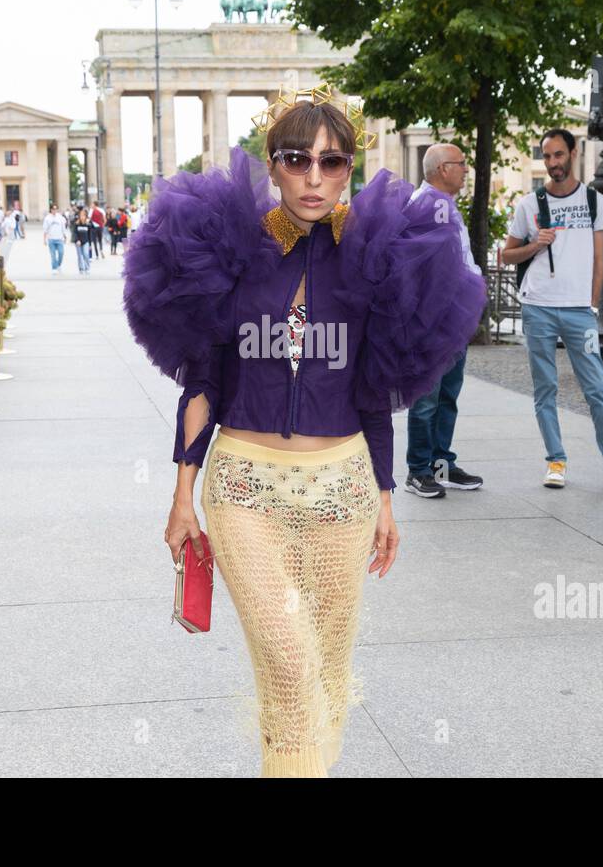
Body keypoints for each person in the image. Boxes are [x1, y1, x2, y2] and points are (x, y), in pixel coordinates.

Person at [122, 98, 484, 777]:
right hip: (244, 492)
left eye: (331, 161)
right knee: (289, 664)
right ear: (273, 166)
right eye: (296, 160)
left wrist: (383, 496)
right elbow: (201, 383)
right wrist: (181, 498)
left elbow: (373, 393)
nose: (313, 177)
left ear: (349, 170)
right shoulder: (233, 255)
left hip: (343, 492)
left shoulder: (370, 262)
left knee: (325, 674)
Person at [499, 128, 603, 494]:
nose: (553, 163)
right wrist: (536, 245)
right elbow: (507, 255)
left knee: (596, 388)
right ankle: (556, 460)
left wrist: (593, 304)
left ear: (573, 153)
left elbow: (600, 259)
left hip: (579, 311)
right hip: (538, 307)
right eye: (547, 156)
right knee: (545, 389)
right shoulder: (530, 204)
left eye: (558, 155)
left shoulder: (595, 201)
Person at [404, 143, 485, 497]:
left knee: (447, 394)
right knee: (427, 398)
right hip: (434, 319)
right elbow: (424, 265)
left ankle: (440, 465)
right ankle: (419, 470)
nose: (467, 169)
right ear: (441, 169)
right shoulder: (429, 206)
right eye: (461, 164)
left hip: (453, 316)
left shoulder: (444, 205)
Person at [42, 204, 67, 273]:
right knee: (53, 255)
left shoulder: (60, 217)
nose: (54, 210)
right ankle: (54, 268)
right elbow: (45, 230)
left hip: (59, 238)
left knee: (61, 253)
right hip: (51, 239)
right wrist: (44, 240)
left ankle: (58, 265)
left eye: (56, 209)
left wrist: (65, 236)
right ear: (51, 209)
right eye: (53, 209)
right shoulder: (47, 218)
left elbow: (63, 227)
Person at [73, 207, 91, 275]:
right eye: (81, 215)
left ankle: (87, 268)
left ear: (86, 216)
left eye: (84, 215)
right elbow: (74, 233)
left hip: (86, 241)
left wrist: (90, 244)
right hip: (78, 242)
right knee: (80, 256)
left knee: (86, 254)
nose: (82, 217)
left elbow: (90, 234)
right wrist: (77, 240)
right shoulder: (76, 224)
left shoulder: (88, 224)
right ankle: (81, 268)